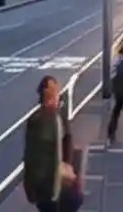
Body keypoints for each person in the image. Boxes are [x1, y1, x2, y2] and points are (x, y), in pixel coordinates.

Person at [24, 75, 74, 212]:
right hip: (54, 183)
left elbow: (29, 155)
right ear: (52, 95)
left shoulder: (33, 119)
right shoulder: (57, 119)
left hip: (39, 184)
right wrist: (67, 169)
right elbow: (63, 146)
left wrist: (28, 184)